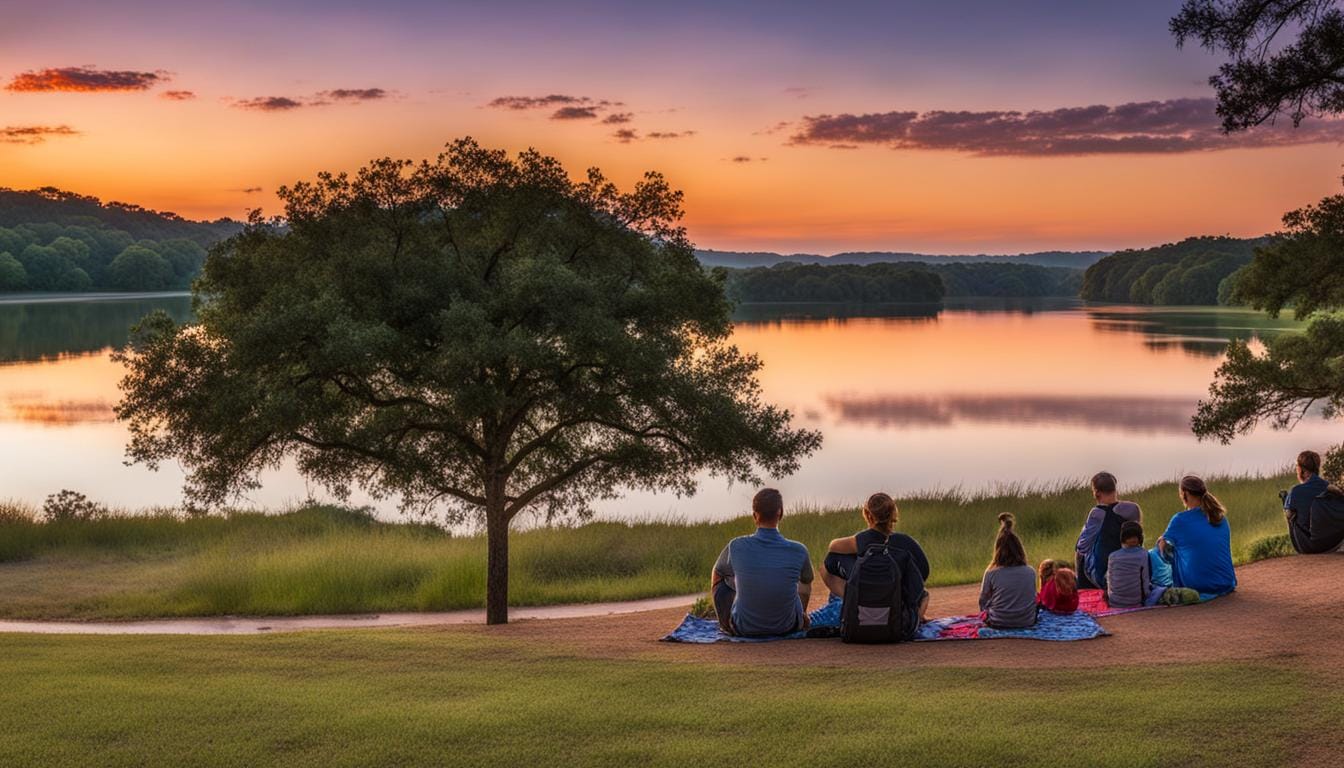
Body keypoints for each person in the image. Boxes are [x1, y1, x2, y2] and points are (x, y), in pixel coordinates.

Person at [710, 488, 814, 636]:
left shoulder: (736, 546)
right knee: (801, 583)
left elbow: (717, 573)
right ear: (780, 513)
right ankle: (801, 616)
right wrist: (802, 612)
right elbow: (806, 582)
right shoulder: (799, 550)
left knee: (720, 574)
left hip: (744, 628)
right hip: (787, 626)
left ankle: (725, 626)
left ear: (755, 516)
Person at [822, 492, 931, 627]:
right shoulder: (906, 542)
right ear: (893, 514)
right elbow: (924, 571)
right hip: (897, 600)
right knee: (925, 595)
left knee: (827, 564)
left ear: (868, 515)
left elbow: (833, 547)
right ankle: (915, 619)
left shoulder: (862, 540)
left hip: (866, 595)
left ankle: (853, 601)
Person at [1156, 475, 1237, 596]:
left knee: (1158, 548)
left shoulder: (1180, 520)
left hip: (1197, 585)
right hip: (1226, 581)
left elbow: (1163, 550)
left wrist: (1161, 542)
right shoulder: (1220, 517)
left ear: (1185, 494)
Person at [1075, 471, 1142, 590]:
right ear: (1114, 488)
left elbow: (1082, 546)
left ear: (1096, 492)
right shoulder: (1132, 508)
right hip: (1134, 568)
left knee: (1080, 551)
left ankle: (1084, 590)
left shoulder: (1097, 513)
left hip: (1105, 575)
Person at [979, 513, 1037, 628]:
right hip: (1026, 621)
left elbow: (983, 601)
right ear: (1020, 549)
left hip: (998, 621)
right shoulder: (1030, 572)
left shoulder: (991, 573)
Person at [1282, 450, 1344, 554]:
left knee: (1289, 514)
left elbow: (1289, 515)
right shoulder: (1328, 487)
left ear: (1302, 471)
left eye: (1297, 468)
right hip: (1333, 543)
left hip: (1307, 547)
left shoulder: (1296, 491)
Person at [1106, 521, 1163, 608]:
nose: (1133, 539)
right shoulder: (1143, 554)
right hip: (1135, 602)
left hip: (1114, 601)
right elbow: (1146, 580)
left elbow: (1109, 581)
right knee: (1159, 589)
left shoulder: (1112, 556)